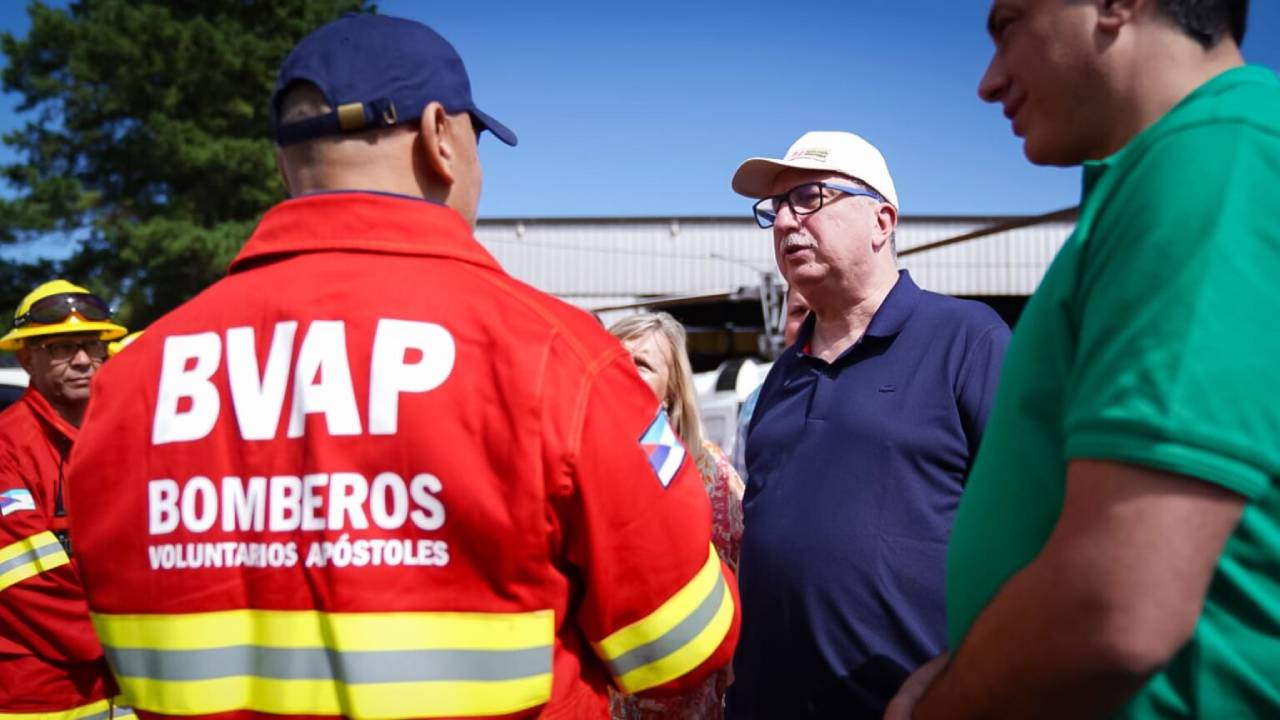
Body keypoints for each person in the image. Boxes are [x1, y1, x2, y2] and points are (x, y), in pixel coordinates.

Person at [64, 14, 738, 719]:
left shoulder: (130, 381)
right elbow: (683, 649)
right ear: (440, 137)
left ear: (282, 165)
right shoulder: (560, 359)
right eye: (479, 144)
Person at [886, 2, 1280, 718]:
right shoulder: (1172, 170)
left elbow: (1119, 602)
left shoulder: (1214, 155)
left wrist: (940, 706)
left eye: (1007, 25)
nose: (988, 81)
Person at [725, 131, 1010, 718]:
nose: (783, 222)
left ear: (882, 220)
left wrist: (971, 671)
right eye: (774, 209)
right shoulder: (779, 379)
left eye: (807, 198)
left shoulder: (967, 340)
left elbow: (1033, 531)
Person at [0, 280, 133, 717]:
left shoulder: (128, 436)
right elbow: (21, 581)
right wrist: (130, 638)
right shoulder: (7, 446)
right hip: (40, 694)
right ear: (26, 359)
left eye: (91, 346)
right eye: (60, 348)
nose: (81, 361)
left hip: (130, 690)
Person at [609, 311, 744, 719]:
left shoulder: (709, 471)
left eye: (643, 364)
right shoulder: (570, 462)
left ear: (670, 392)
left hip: (679, 693)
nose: (623, 371)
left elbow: (735, 574)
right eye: (615, 357)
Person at [732, 286, 809, 480]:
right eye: (799, 312)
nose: (808, 322)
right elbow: (743, 494)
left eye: (819, 310)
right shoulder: (756, 404)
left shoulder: (857, 390)